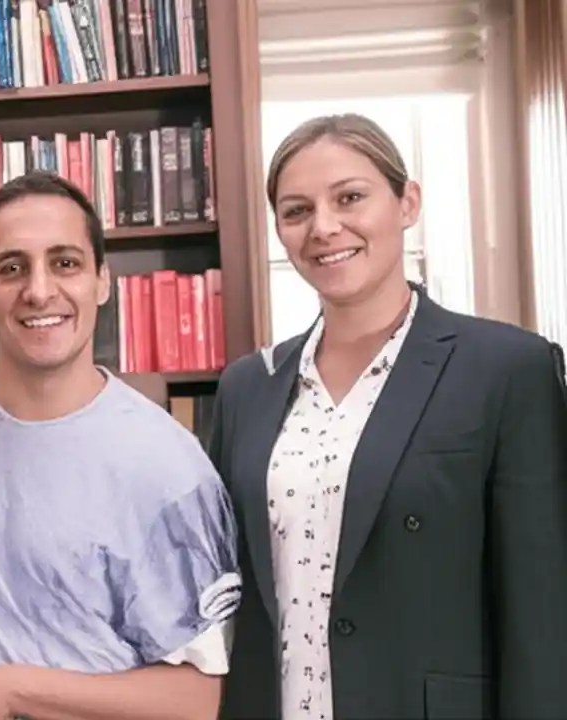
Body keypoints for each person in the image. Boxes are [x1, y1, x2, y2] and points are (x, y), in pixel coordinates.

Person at [212, 113, 567, 719]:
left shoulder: (509, 370)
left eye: (350, 197)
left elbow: (542, 615)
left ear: (408, 203)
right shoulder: (248, 386)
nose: (324, 227)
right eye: (297, 211)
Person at [0, 170, 241, 720]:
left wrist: (14, 689)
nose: (39, 290)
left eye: (65, 263)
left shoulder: (168, 468)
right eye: (12, 268)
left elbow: (199, 698)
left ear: (102, 281)